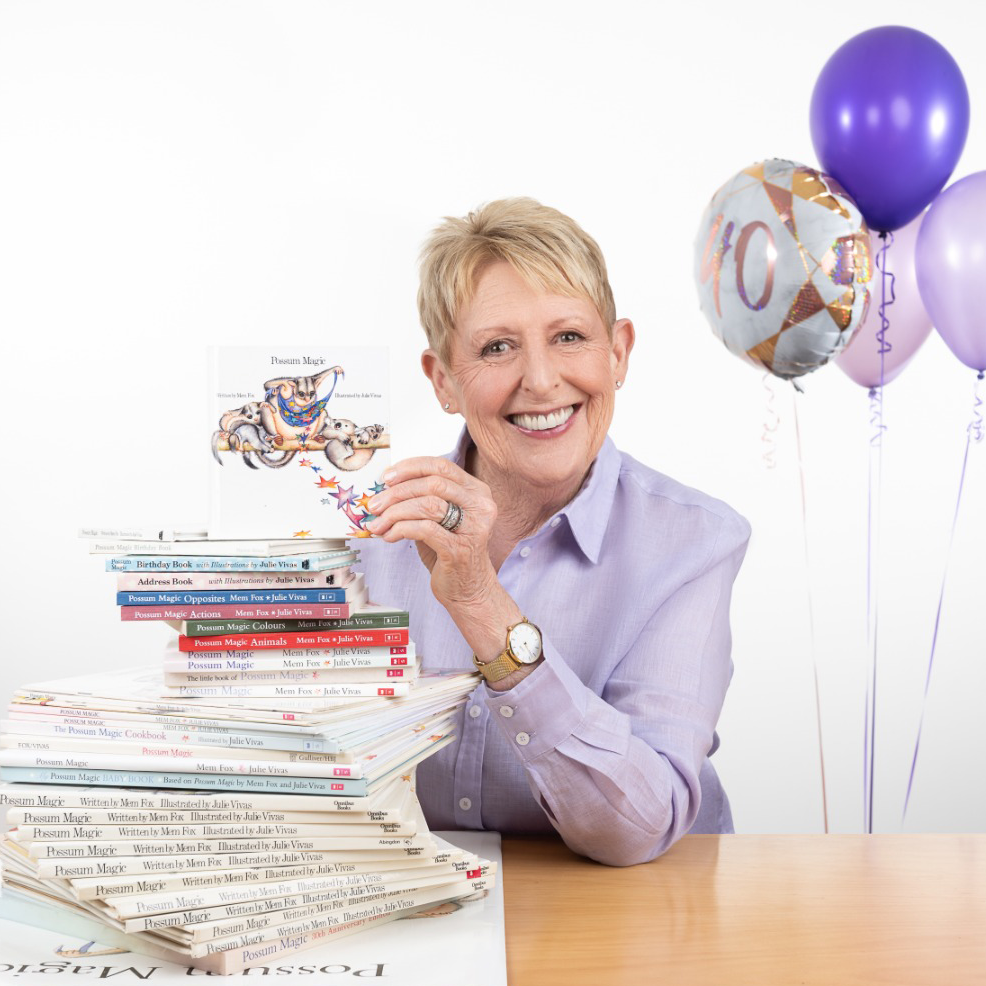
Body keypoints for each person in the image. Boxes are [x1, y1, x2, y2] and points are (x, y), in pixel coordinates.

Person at [359, 198, 750, 866]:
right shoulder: (364, 540)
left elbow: (637, 825)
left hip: (637, 926)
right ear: (444, 380)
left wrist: (481, 602)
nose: (541, 381)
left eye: (569, 336)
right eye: (496, 348)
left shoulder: (695, 544)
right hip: (424, 925)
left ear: (618, 353)